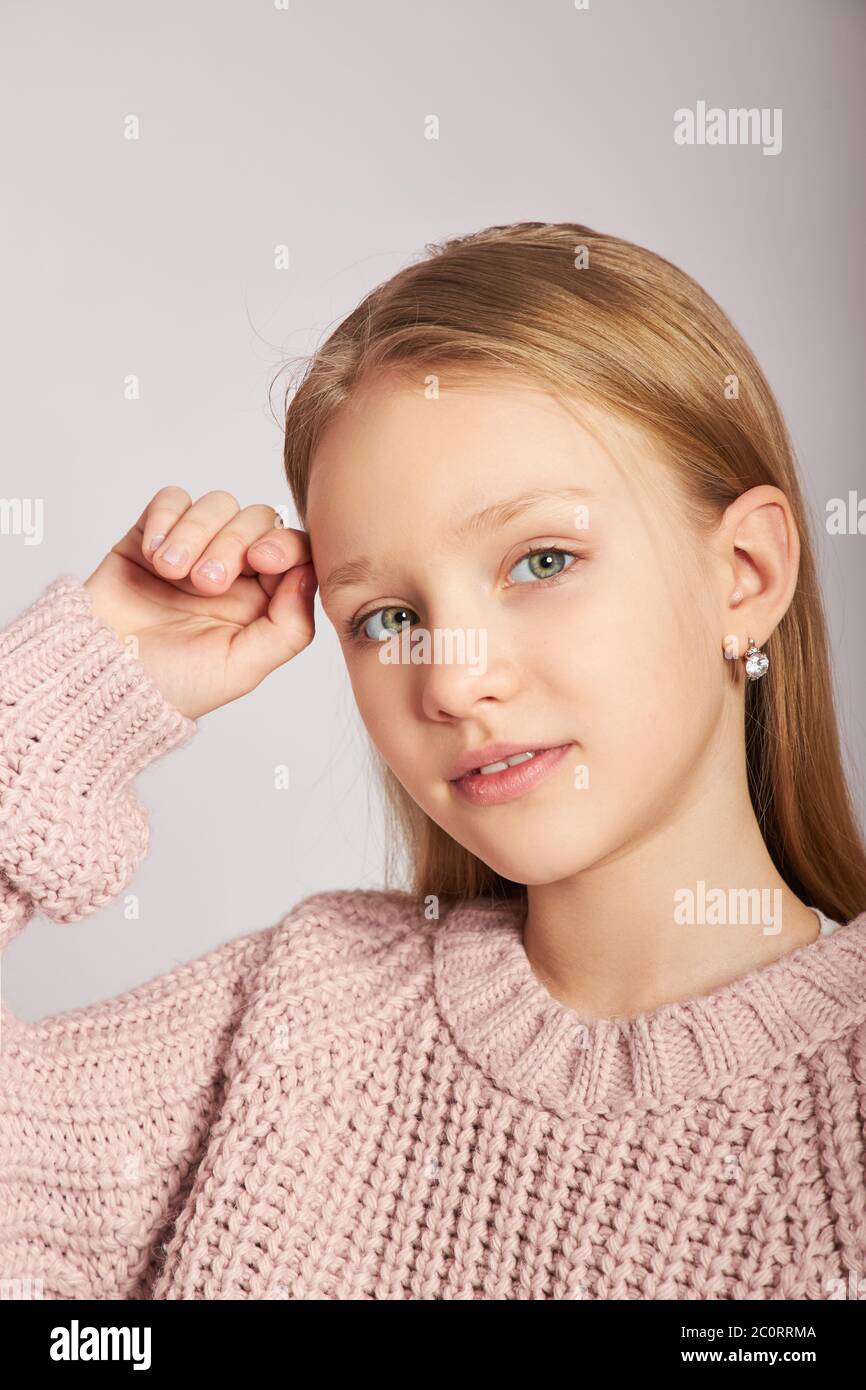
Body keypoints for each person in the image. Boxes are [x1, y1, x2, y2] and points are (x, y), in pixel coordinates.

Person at [1, 222, 865, 1301]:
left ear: (742, 573)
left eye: (540, 560)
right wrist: (63, 704)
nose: (449, 681)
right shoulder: (302, 1020)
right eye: (388, 617)